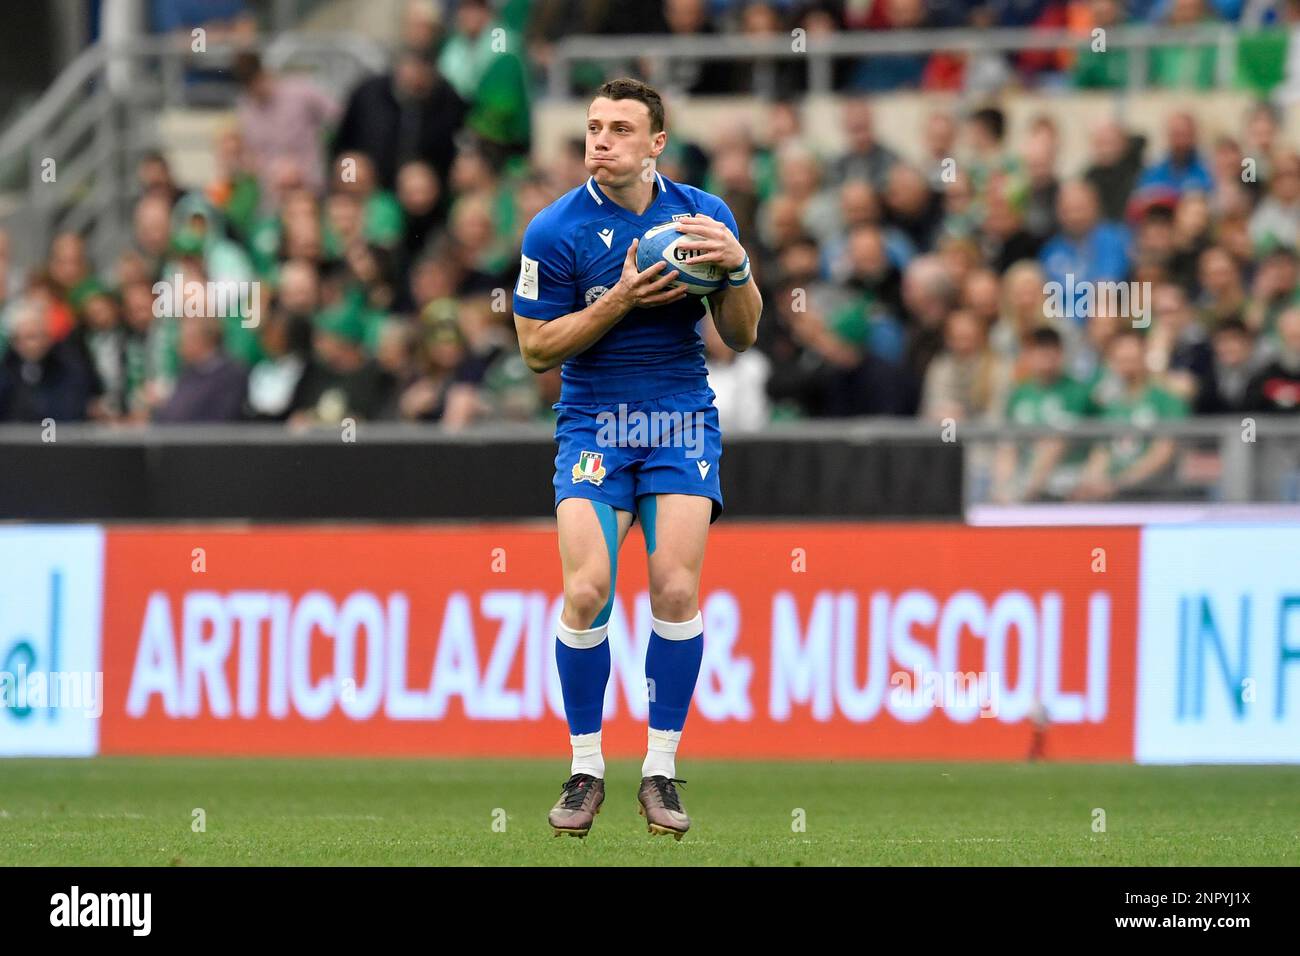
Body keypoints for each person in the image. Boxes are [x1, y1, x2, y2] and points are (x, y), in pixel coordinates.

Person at [511, 78, 761, 840]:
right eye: (593, 126)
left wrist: (741, 269)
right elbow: (533, 349)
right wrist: (617, 299)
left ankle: (660, 770)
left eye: (621, 128)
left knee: (675, 589)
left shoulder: (702, 218)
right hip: (593, 425)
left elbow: (743, 336)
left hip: (681, 420)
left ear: (657, 142)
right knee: (586, 592)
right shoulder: (554, 232)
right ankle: (587, 768)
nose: (601, 139)